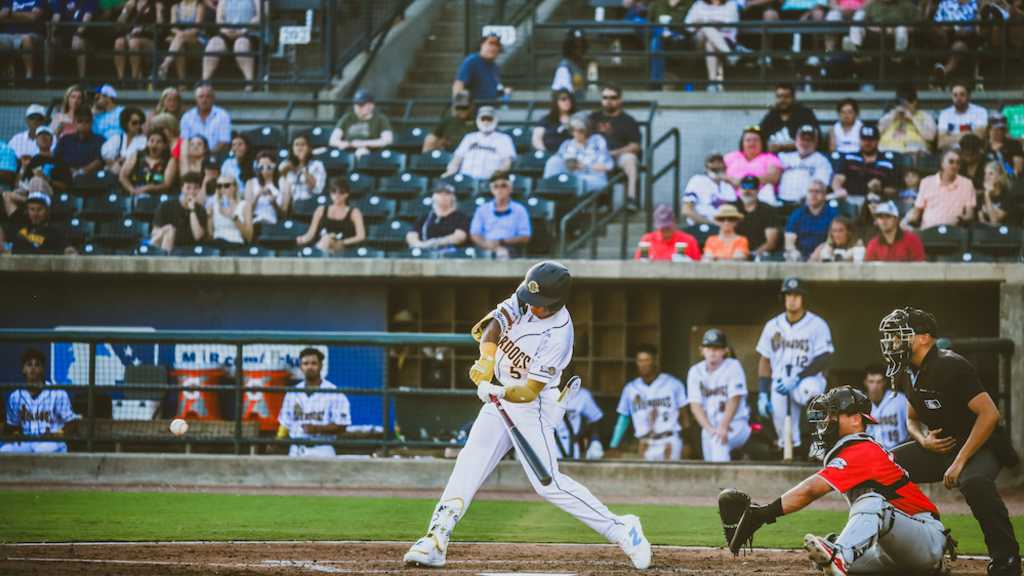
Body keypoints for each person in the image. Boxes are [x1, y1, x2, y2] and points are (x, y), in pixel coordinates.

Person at [403, 262, 652, 570]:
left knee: (549, 484)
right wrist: (486, 359)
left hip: (532, 405)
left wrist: (498, 391)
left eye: (540, 305)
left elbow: (529, 390)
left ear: (557, 302)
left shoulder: (560, 332)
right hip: (499, 396)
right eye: (530, 301)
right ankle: (436, 538)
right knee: (469, 462)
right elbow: (492, 326)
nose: (532, 308)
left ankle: (622, 528)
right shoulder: (525, 298)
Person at [720, 386, 953, 576]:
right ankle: (842, 553)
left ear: (855, 420)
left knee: (870, 501)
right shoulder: (852, 448)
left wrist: (763, 514)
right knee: (829, 553)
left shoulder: (861, 448)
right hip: (893, 550)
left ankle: (840, 555)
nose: (826, 420)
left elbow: (811, 490)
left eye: (833, 414)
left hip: (924, 536)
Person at [881, 307, 1021, 576]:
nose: (893, 342)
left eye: (900, 335)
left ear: (924, 337)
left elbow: (990, 414)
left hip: (982, 445)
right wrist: (924, 440)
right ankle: (913, 547)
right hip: (940, 445)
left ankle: (1007, 559)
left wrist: (959, 462)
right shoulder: (908, 370)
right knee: (884, 466)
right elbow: (911, 419)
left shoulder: (951, 364)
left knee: (974, 482)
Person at [756, 277, 834, 458]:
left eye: (796, 295)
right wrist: (762, 393)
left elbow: (824, 357)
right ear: (783, 298)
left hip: (808, 378)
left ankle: (818, 441)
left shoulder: (817, 324)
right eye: (788, 295)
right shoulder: (772, 326)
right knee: (784, 433)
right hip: (780, 381)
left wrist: (798, 377)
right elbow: (765, 360)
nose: (792, 299)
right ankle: (792, 452)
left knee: (813, 394)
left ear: (803, 298)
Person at [610, 343, 687, 461]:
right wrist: (614, 445)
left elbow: (684, 416)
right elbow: (624, 418)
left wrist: (687, 442)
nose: (643, 364)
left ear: (655, 361)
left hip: (669, 440)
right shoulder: (630, 388)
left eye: (647, 360)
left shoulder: (673, 384)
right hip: (645, 443)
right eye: (640, 361)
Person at [686, 329, 751, 462]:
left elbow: (735, 398)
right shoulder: (695, 371)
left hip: (736, 424)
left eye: (717, 348)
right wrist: (710, 429)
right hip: (709, 426)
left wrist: (723, 426)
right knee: (710, 464)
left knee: (718, 442)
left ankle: (724, 483)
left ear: (725, 350)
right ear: (702, 350)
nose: (712, 351)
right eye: (708, 347)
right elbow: (695, 406)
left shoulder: (733, 366)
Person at [0, 349, 80, 453]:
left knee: (41, 450)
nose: (33, 368)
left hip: (52, 441)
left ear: (42, 369)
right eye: (29, 364)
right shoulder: (16, 396)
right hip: (27, 441)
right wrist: (15, 434)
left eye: (37, 365)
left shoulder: (57, 392)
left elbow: (72, 422)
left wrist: (57, 434)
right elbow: (12, 426)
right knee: (5, 450)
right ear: (23, 369)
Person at [276, 347, 350, 458]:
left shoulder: (334, 392)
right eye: (305, 364)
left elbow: (342, 426)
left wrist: (317, 429)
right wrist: (277, 440)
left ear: (321, 366)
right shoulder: (292, 393)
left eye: (314, 363)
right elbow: (285, 423)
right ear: (301, 367)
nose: (309, 367)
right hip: (296, 449)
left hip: (323, 449)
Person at [590, 84, 642, 209]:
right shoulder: (593, 118)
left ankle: (631, 199)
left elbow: (635, 146)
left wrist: (615, 152)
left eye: (613, 97)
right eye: (605, 97)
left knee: (630, 159)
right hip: (596, 157)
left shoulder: (628, 120)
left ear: (620, 99)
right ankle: (598, 202)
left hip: (619, 156)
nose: (608, 101)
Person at [830, 124, 901, 206]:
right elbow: (838, 178)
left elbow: (893, 190)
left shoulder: (887, 162)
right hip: (850, 199)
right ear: (859, 140)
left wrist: (880, 189)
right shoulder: (849, 158)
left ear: (878, 140)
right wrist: (838, 190)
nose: (867, 143)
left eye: (871, 140)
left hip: (878, 201)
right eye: (864, 139)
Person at [904, 149, 975, 230]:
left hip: (954, 232)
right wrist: (910, 220)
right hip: (928, 230)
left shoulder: (967, 184)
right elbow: (918, 210)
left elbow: (970, 213)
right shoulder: (926, 182)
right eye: (951, 162)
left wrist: (963, 219)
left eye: (958, 163)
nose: (955, 165)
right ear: (942, 163)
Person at [295, 176, 365, 255]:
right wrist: (302, 239)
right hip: (323, 242)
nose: (337, 195)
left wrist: (342, 242)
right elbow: (311, 234)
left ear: (347, 194)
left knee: (328, 240)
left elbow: (361, 236)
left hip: (343, 246)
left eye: (341, 192)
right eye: (334, 192)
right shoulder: (321, 210)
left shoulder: (354, 212)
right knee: (327, 239)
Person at [443, 107, 516, 182]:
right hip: (466, 180)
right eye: (483, 119)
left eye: (489, 119)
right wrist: (450, 172)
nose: (486, 122)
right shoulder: (469, 137)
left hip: (489, 181)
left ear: (495, 120)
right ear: (478, 120)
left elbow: (506, 164)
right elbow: (457, 160)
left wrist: (496, 178)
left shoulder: (504, 139)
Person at [545, 112, 612, 193]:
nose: (576, 133)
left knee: (578, 182)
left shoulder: (597, 141)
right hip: (572, 176)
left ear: (587, 130)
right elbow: (558, 163)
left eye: (580, 130)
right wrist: (569, 164)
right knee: (554, 161)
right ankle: (548, 189)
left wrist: (585, 166)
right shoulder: (567, 144)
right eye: (573, 130)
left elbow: (607, 166)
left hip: (593, 177)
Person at [469, 171, 530, 259]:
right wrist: (488, 245)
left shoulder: (520, 210)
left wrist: (501, 242)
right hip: (485, 247)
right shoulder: (482, 210)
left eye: (503, 186)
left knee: (504, 254)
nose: (499, 190)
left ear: (510, 188)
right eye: (496, 186)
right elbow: (475, 234)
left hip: (510, 247)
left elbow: (525, 236)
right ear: (491, 189)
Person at [202, 0, 260, 87]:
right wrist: (225, 30)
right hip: (228, 32)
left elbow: (259, 16)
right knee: (213, 44)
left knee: (241, 45)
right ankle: (204, 82)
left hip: (249, 31)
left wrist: (243, 30)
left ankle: (250, 82)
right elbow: (219, 19)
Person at [684, 0, 740, 91]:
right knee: (706, 26)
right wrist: (700, 23)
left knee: (710, 44)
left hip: (724, 39)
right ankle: (730, 54)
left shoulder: (731, 4)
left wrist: (715, 23)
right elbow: (688, 25)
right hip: (699, 40)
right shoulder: (699, 4)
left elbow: (732, 25)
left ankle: (712, 83)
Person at [405, 182, 470, 254]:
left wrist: (435, 242)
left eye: (447, 194)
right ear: (433, 196)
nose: (443, 197)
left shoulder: (461, 217)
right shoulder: (425, 217)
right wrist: (419, 244)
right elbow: (411, 235)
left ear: (453, 197)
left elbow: (459, 237)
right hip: (426, 253)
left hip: (450, 254)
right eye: (439, 194)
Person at [150, 171, 207, 253]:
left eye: (195, 188)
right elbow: (155, 232)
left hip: (190, 248)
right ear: (182, 188)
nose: (191, 192)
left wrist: (192, 210)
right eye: (188, 188)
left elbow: (197, 236)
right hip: (165, 243)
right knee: (170, 230)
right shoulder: (166, 206)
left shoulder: (201, 210)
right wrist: (167, 229)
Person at [0, 192, 73, 254]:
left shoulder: (54, 230)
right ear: (27, 210)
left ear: (47, 211)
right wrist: (28, 200)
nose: (35, 214)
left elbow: (68, 249)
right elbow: (7, 196)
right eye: (32, 209)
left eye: (39, 209)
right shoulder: (21, 223)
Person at [777, 124, 833, 206]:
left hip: (805, 205)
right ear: (796, 140)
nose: (805, 143)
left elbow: (821, 185)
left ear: (816, 142)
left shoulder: (822, 161)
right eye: (802, 139)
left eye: (809, 140)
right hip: (781, 203)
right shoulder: (784, 157)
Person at [929, 1, 981, 87]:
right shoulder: (945, 3)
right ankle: (942, 72)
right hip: (946, 37)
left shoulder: (975, 4)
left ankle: (943, 72)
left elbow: (978, 27)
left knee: (959, 46)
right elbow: (937, 23)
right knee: (937, 34)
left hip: (967, 39)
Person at [784, 180, 838, 261]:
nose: (813, 194)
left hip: (822, 253)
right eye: (810, 191)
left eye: (817, 191)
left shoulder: (832, 213)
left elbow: (832, 239)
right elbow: (789, 239)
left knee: (826, 252)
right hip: (800, 255)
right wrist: (793, 251)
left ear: (824, 195)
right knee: (790, 255)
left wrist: (817, 252)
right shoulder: (797, 214)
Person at [329, 89, 394, 156]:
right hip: (347, 151)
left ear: (371, 106)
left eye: (361, 105)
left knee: (361, 152)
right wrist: (346, 144)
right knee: (319, 152)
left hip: (371, 152)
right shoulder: (347, 118)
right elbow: (333, 140)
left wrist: (363, 143)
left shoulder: (380, 119)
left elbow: (387, 140)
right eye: (356, 104)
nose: (357, 107)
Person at [759, 84, 820, 154]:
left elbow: (814, 139)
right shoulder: (771, 115)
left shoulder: (805, 114)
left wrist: (784, 147)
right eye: (779, 97)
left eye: (786, 96)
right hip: (774, 159)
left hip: (799, 158)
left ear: (793, 98)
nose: (782, 100)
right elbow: (760, 136)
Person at [724, 127, 781, 201]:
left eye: (756, 140)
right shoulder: (731, 156)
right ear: (742, 143)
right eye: (748, 140)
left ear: (762, 143)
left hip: (760, 198)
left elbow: (773, 177)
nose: (752, 143)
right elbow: (717, 173)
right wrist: (731, 180)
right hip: (732, 197)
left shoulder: (770, 158)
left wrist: (745, 182)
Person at [112, 0, 163, 81]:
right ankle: (120, 79)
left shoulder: (155, 4)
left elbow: (160, 28)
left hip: (149, 39)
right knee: (118, 43)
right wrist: (125, 10)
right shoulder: (132, 4)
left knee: (133, 42)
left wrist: (159, 12)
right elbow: (119, 25)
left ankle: (134, 78)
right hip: (130, 36)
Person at [878, 84, 937, 155]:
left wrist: (913, 119)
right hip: (887, 155)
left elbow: (931, 137)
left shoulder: (925, 116)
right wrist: (892, 116)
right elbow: (877, 133)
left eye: (908, 103)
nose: (905, 107)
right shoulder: (890, 115)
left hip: (914, 156)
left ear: (915, 102)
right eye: (902, 103)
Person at [552, 385, 604, 460]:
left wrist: (594, 440)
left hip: (571, 445)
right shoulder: (545, 392)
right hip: (550, 442)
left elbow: (595, 419)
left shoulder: (582, 395)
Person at [863, 364, 908, 450]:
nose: (875, 386)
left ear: (884, 382)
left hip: (899, 450)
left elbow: (914, 424)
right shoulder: (861, 403)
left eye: (879, 382)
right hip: (872, 453)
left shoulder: (900, 400)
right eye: (871, 381)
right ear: (865, 382)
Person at [733, 175, 780, 258]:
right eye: (744, 187)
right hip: (734, 254)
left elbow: (771, 242)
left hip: (759, 255)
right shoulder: (731, 209)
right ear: (739, 189)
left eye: (751, 187)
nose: (747, 190)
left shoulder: (768, 210)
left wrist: (752, 255)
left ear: (758, 190)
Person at [634, 203, 701, 261]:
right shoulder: (647, 240)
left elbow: (698, 266)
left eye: (667, 227)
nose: (665, 231)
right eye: (662, 228)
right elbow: (638, 264)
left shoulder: (689, 240)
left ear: (674, 222)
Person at [682, 153, 736, 225]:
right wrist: (710, 223)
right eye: (712, 162)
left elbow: (733, 213)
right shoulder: (697, 180)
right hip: (700, 225)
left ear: (724, 167)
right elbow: (687, 210)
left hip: (723, 227)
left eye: (719, 162)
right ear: (706, 167)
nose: (716, 165)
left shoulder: (728, 187)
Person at [158, 0, 206, 82]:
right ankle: (182, 82)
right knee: (180, 48)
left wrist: (181, 35)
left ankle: (166, 64)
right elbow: (172, 28)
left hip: (197, 39)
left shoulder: (199, 6)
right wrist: (180, 35)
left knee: (178, 40)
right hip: (179, 39)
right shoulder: (175, 7)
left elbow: (196, 29)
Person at [646, 0, 690, 89]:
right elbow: (649, 23)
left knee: (656, 42)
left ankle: (655, 83)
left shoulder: (689, 3)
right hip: (659, 37)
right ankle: (657, 82)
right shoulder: (656, 3)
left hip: (679, 38)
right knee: (656, 40)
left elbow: (688, 26)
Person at [119, 128, 175, 197]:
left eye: (159, 142)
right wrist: (131, 189)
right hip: (134, 195)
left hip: (157, 198)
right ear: (147, 142)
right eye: (151, 141)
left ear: (165, 145)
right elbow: (123, 176)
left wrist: (148, 188)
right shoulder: (137, 155)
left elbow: (167, 184)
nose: (154, 145)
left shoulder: (170, 160)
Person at [180, 83, 232, 154]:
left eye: (208, 96)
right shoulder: (187, 117)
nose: (204, 100)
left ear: (213, 98)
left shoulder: (223, 115)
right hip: (192, 156)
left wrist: (207, 155)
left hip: (216, 157)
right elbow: (184, 142)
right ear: (196, 98)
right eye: (201, 96)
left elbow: (224, 142)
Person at [0, 0, 44, 80]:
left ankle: (29, 76)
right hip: (8, 34)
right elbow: (1, 17)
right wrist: (23, 17)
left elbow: (32, 17)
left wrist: (10, 14)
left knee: (26, 39)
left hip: (31, 33)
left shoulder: (38, 1)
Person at [937, 84, 988, 152]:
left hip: (972, 152)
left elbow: (979, 136)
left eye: (962, 94)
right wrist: (968, 134)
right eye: (955, 95)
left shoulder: (980, 111)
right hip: (951, 153)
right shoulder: (944, 114)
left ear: (969, 96)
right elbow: (941, 143)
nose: (958, 98)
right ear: (952, 97)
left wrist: (950, 137)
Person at [452, 33, 503, 102]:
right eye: (490, 44)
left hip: (491, 108)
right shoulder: (472, 61)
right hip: (474, 109)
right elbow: (459, 85)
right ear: (482, 45)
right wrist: (461, 108)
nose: (493, 48)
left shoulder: (495, 67)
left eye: (497, 45)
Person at [55, 108, 104, 179]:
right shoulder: (65, 139)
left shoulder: (100, 140)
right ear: (74, 122)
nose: (83, 124)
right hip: (66, 177)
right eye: (80, 121)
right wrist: (68, 171)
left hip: (91, 177)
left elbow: (99, 161)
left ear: (91, 122)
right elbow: (57, 159)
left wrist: (81, 171)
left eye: (87, 121)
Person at [21, 126, 71, 193]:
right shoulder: (32, 161)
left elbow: (65, 186)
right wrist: (23, 167)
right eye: (40, 135)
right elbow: (19, 183)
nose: (43, 137)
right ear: (36, 141)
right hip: (29, 193)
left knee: (37, 181)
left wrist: (46, 179)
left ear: (52, 140)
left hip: (52, 195)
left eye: (46, 135)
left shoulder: (60, 161)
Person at [245, 149, 287, 228]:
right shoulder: (250, 183)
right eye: (261, 167)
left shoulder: (283, 183)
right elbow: (247, 211)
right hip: (255, 222)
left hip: (274, 224)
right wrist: (258, 195)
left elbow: (284, 214)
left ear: (274, 166)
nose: (265, 170)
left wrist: (274, 203)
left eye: (268, 167)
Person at [279, 133, 325, 202]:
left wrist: (303, 165)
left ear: (309, 148)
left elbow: (315, 188)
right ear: (292, 148)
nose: (300, 148)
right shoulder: (285, 163)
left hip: (310, 202)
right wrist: (295, 163)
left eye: (303, 145)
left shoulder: (317, 165)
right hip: (290, 202)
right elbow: (281, 171)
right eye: (296, 145)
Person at [100, 106, 146, 174]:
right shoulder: (117, 138)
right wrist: (116, 162)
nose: (138, 126)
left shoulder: (144, 140)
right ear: (126, 123)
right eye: (134, 123)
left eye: (140, 123)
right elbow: (106, 157)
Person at [206, 175, 249, 248]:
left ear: (235, 187)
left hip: (235, 244)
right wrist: (209, 218)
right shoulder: (213, 205)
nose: (222, 189)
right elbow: (210, 235)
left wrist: (234, 218)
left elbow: (248, 237)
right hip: (217, 243)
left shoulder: (244, 205)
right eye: (219, 186)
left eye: (226, 185)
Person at [532, 89, 575, 154]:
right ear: (555, 102)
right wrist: (546, 153)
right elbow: (536, 139)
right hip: (550, 155)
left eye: (569, 99)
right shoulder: (546, 119)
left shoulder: (577, 118)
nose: (567, 101)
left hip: (573, 156)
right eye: (563, 99)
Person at [551, 27, 591, 95]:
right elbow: (562, 97)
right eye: (575, 47)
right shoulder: (564, 68)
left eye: (582, 46)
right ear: (568, 47)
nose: (579, 51)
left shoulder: (578, 65)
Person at [9, 104, 49, 169]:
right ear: (26, 120)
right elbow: (9, 159)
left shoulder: (52, 139)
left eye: (39, 119)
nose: (35, 121)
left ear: (44, 121)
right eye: (32, 118)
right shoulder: (16, 139)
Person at [978, 161, 1017, 227]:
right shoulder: (981, 196)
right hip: (985, 233)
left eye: (991, 174)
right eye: (985, 173)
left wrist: (987, 195)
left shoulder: (1008, 196)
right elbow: (982, 221)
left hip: (1006, 234)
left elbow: (994, 221)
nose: (986, 177)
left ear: (1000, 177)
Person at [986, 113, 1023, 178]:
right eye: (997, 129)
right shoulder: (983, 145)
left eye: (1002, 129)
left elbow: (1017, 170)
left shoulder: (1014, 144)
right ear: (989, 129)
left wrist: (1002, 160)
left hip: (1008, 179)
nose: (1000, 132)